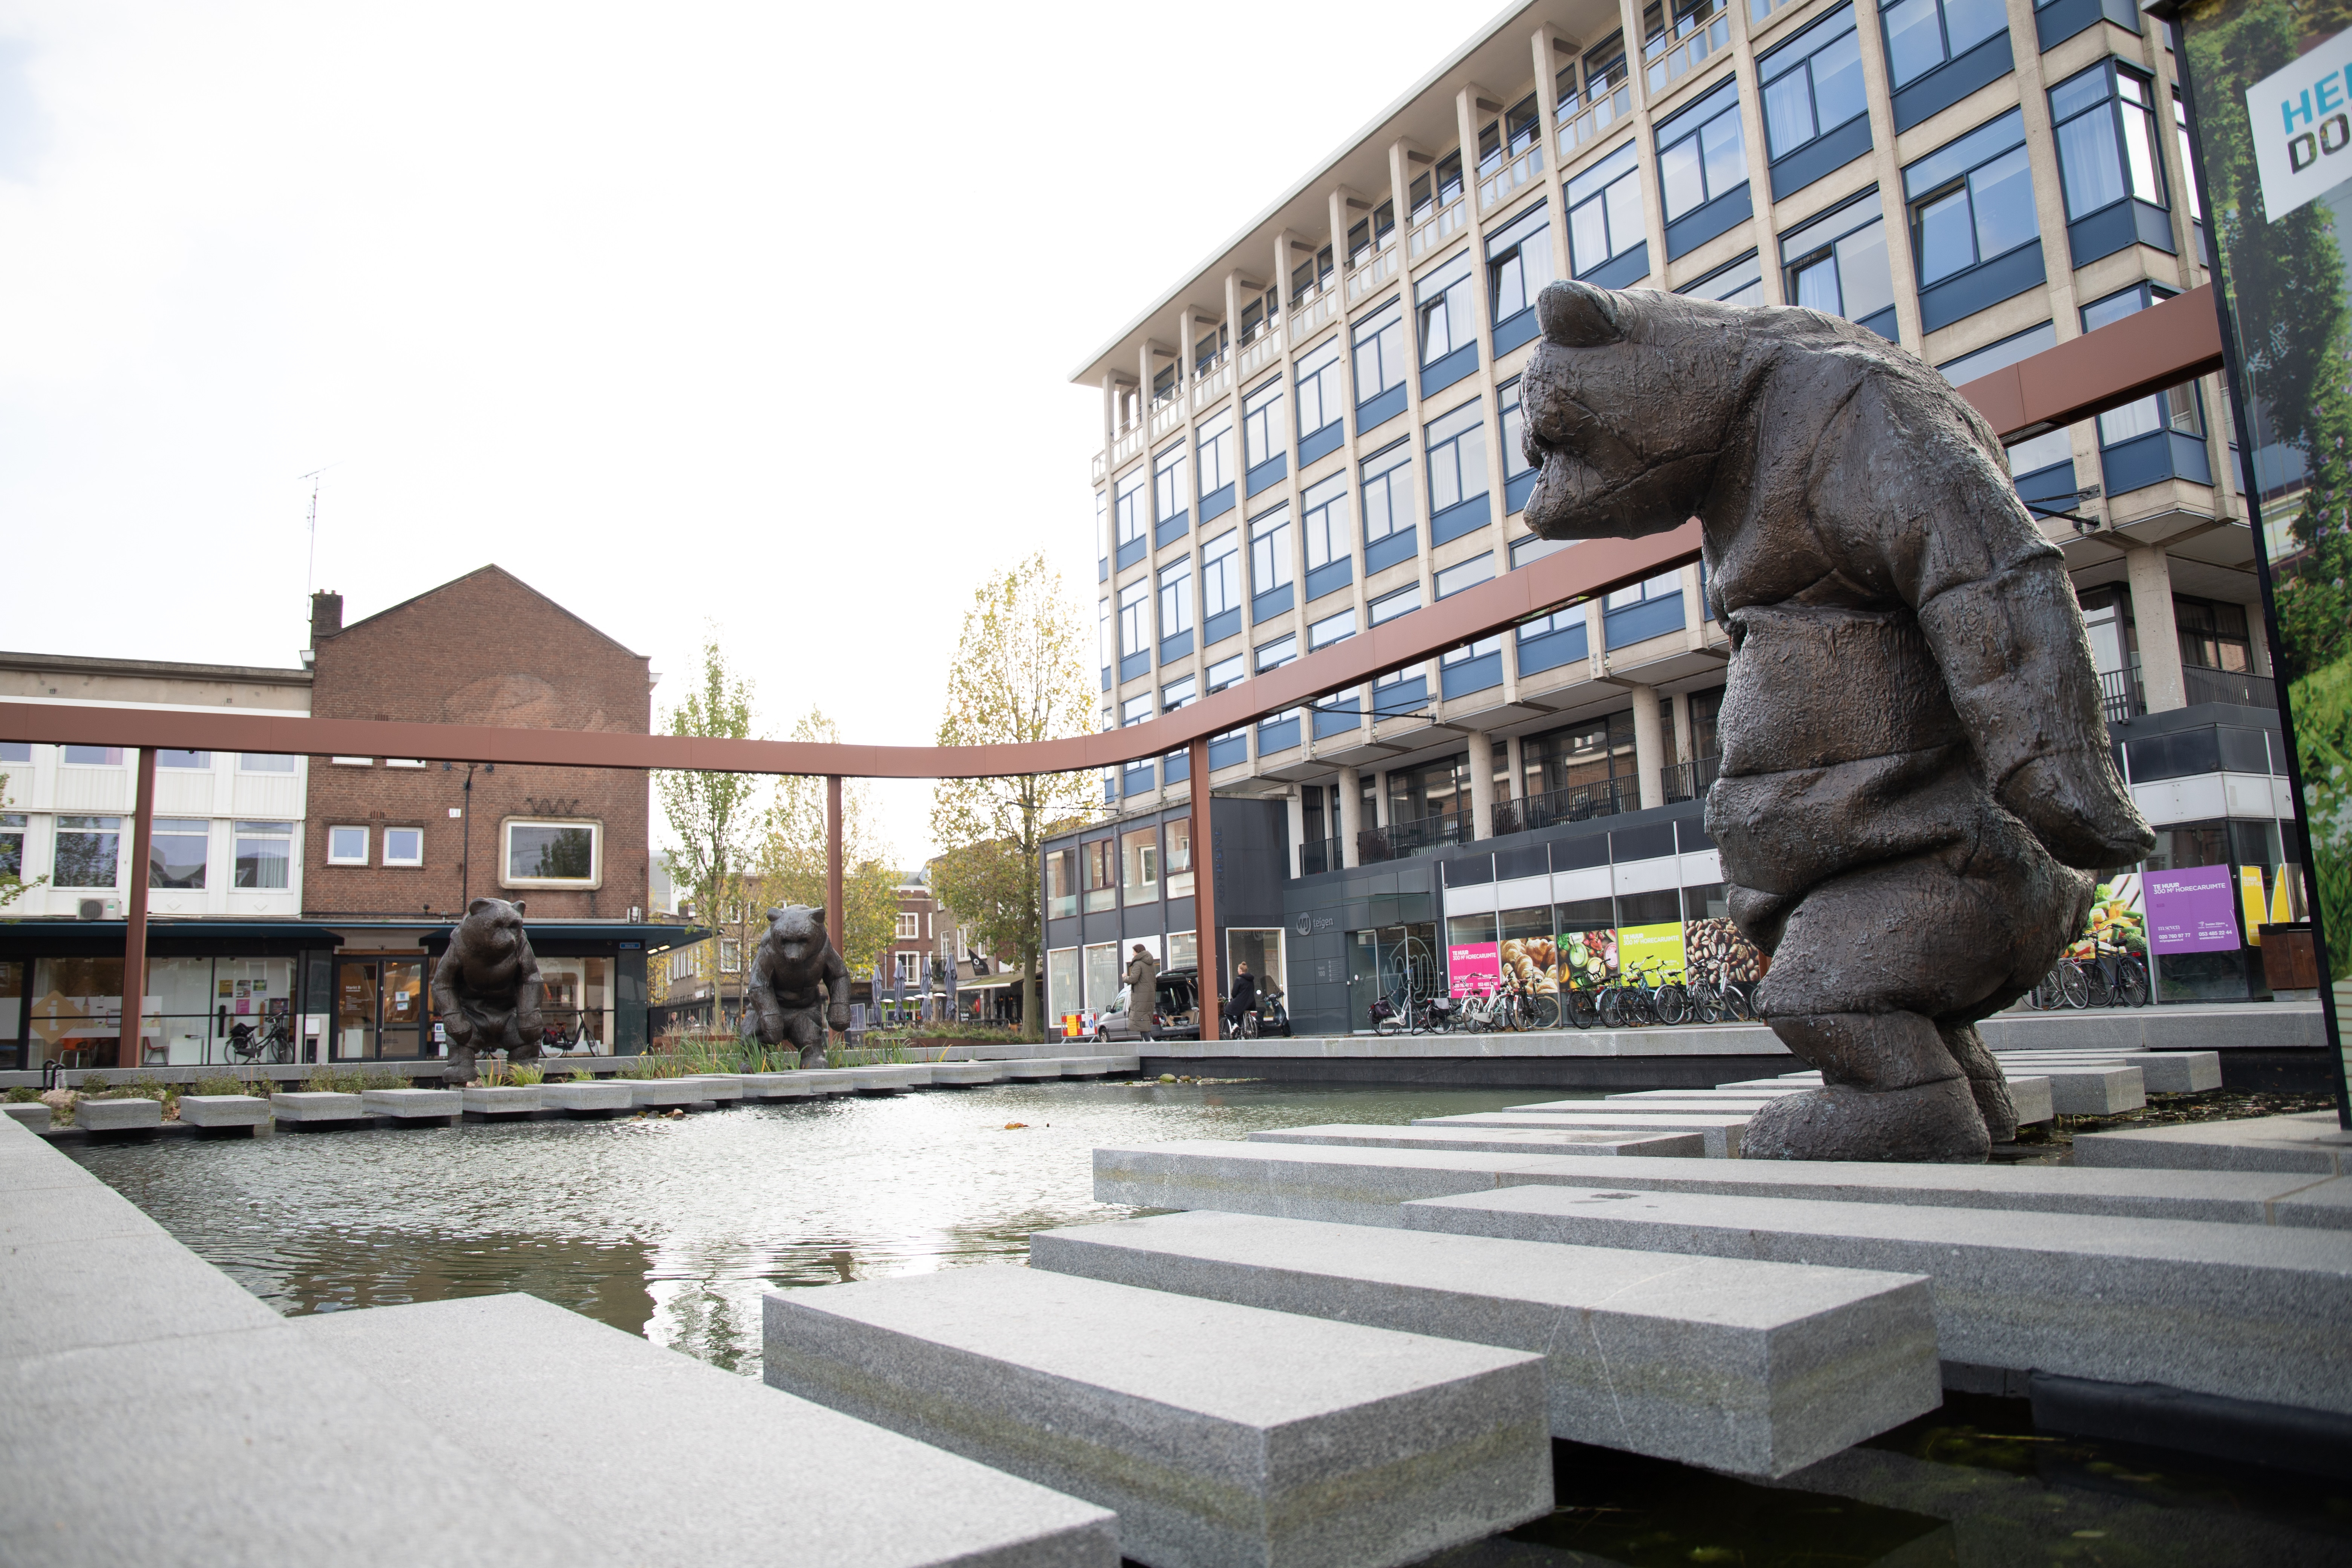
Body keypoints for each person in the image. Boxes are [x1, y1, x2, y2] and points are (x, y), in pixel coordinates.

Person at [1224, 961, 1258, 1031]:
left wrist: (1235, 999)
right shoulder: (1251, 980)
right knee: (1240, 1015)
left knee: (1227, 1010)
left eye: (1238, 969)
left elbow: (1234, 993)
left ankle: (1234, 1024)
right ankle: (1241, 1031)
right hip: (1251, 1004)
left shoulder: (1239, 979)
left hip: (1241, 1003)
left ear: (1240, 970)